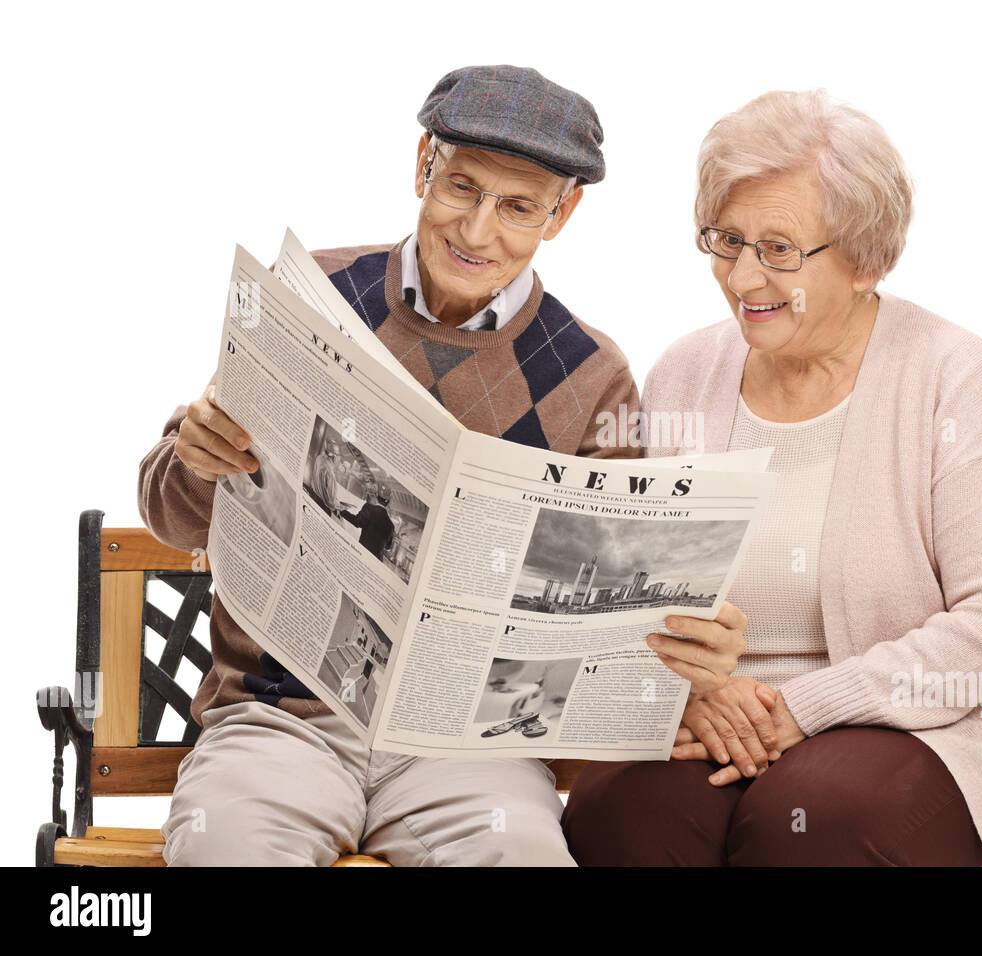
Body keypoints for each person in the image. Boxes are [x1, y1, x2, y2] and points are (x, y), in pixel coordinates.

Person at [138, 65, 748, 866]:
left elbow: (608, 617)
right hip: (282, 721)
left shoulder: (592, 372)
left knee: (524, 855)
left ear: (562, 214)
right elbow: (174, 516)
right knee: (230, 850)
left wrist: (681, 647)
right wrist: (193, 457)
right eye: (462, 188)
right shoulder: (311, 294)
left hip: (465, 748)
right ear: (423, 163)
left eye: (519, 206)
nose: (478, 231)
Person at [561, 89, 982, 866]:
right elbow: (646, 596)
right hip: (719, 723)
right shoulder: (685, 371)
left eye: (779, 249)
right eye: (727, 239)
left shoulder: (948, 373)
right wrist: (701, 692)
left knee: (810, 818)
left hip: (924, 733)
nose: (743, 277)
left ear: (866, 259)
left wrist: (805, 708)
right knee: (618, 813)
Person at [337, 484, 396, 561]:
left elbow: (356, 522)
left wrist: (342, 510)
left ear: (376, 495)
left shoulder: (369, 508)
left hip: (362, 555)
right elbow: (388, 547)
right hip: (377, 561)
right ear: (388, 501)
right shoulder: (391, 526)